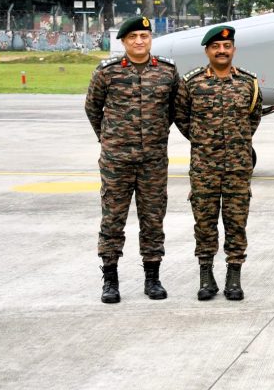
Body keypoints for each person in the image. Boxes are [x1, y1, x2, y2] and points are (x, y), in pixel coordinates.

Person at [85, 15, 179, 304]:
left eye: (144, 36)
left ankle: (152, 278)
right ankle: (110, 279)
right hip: (117, 161)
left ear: (150, 39)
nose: (139, 41)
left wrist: (156, 135)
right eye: (133, 37)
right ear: (124, 42)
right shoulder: (107, 72)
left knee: (153, 219)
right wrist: (110, 140)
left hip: (153, 160)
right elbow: (93, 108)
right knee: (113, 219)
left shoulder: (167, 72)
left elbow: (174, 109)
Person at [174, 25, 262, 301]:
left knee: (236, 222)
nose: (221, 51)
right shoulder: (192, 82)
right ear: (207, 50)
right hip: (204, 167)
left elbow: (253, 118)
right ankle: (206, 276)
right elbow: (181, 117)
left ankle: (233, 278)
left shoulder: (248, 83)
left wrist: (237, 142)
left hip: (238, 167)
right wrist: (203, 141)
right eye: (216, 47)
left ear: (233, 49)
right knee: (204, 222)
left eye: (226, 47)